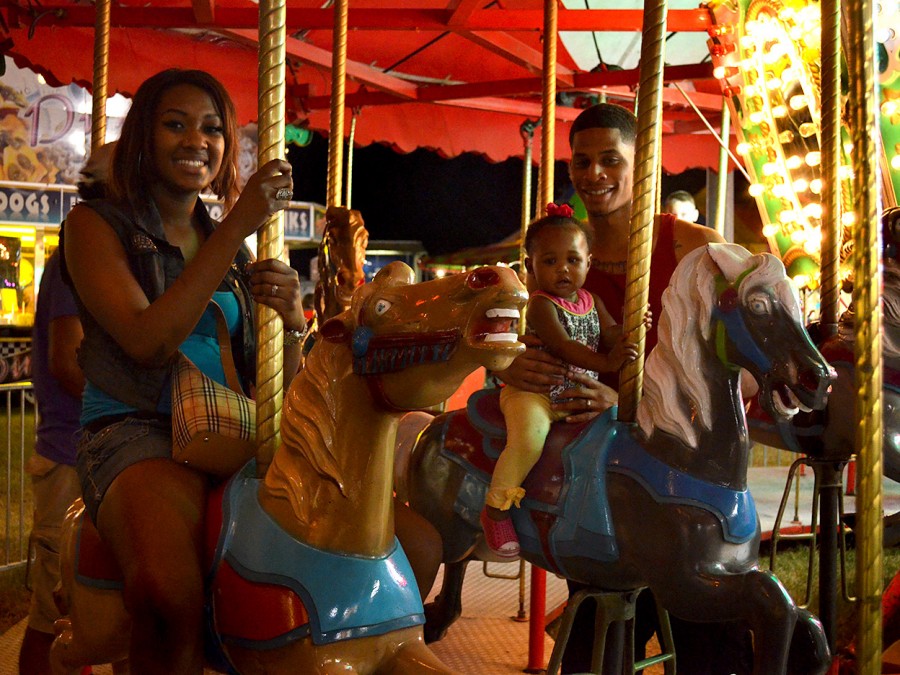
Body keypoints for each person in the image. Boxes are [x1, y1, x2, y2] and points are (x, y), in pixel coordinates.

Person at [62, 69, 305, 673]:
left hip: (230, 426)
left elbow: (271, 377)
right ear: (144, 135)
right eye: (176, 124)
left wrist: (294, 322)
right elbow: (148, 341)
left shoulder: (228, 243)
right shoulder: (97, 227)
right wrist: (234, 230)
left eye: (213, 128)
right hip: (137, 428)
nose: (197, 140)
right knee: (172, 596)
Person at [496, 103, 754, 674]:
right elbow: (499, 333)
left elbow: (747, 368)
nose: (594, 173)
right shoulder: (556, 257)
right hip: (604, 479)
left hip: (683, 474)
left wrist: (636, 401)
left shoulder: (696, 250)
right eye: (581, 161)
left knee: (709, 634)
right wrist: (508, 367)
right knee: (593, 643)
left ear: (644, 164)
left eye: (610, 159)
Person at [481, 203, 640, 557]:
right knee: (529, 440)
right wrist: (607, 360)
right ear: (530, 267)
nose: (563, 269)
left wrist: (630, 329)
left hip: (574, 395)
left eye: (572, 260)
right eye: (550, 262)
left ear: (589, 262)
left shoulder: (591, 299)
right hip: (533, 395)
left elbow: (610, 331)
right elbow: (566, 347)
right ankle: (496, 508)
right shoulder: (541, 305)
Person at [17, 142, 115, 675]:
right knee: (54, 611)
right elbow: (67, 361)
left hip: (104, 451)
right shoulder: (76, 260)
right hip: (73, 453)